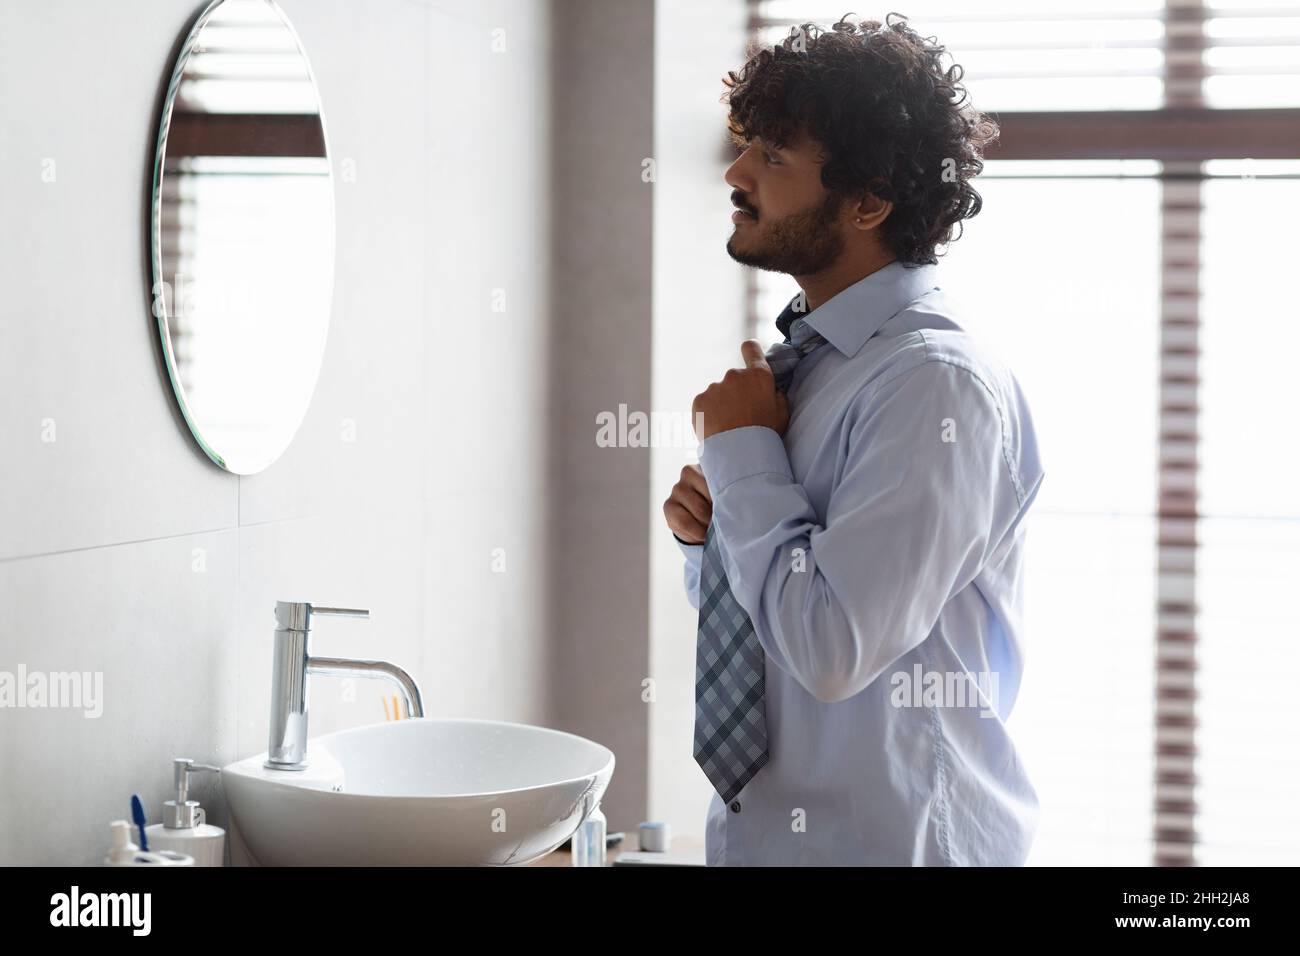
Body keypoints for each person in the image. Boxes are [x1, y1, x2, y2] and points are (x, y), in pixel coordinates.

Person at [663, 14, 1045, 866]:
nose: (734, 173)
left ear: (868, 198)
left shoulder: (933, 384)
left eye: (772, 155)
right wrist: (710, 536)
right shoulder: (817, 367)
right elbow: (781, 622)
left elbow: (831, 650)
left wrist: (747, 459)